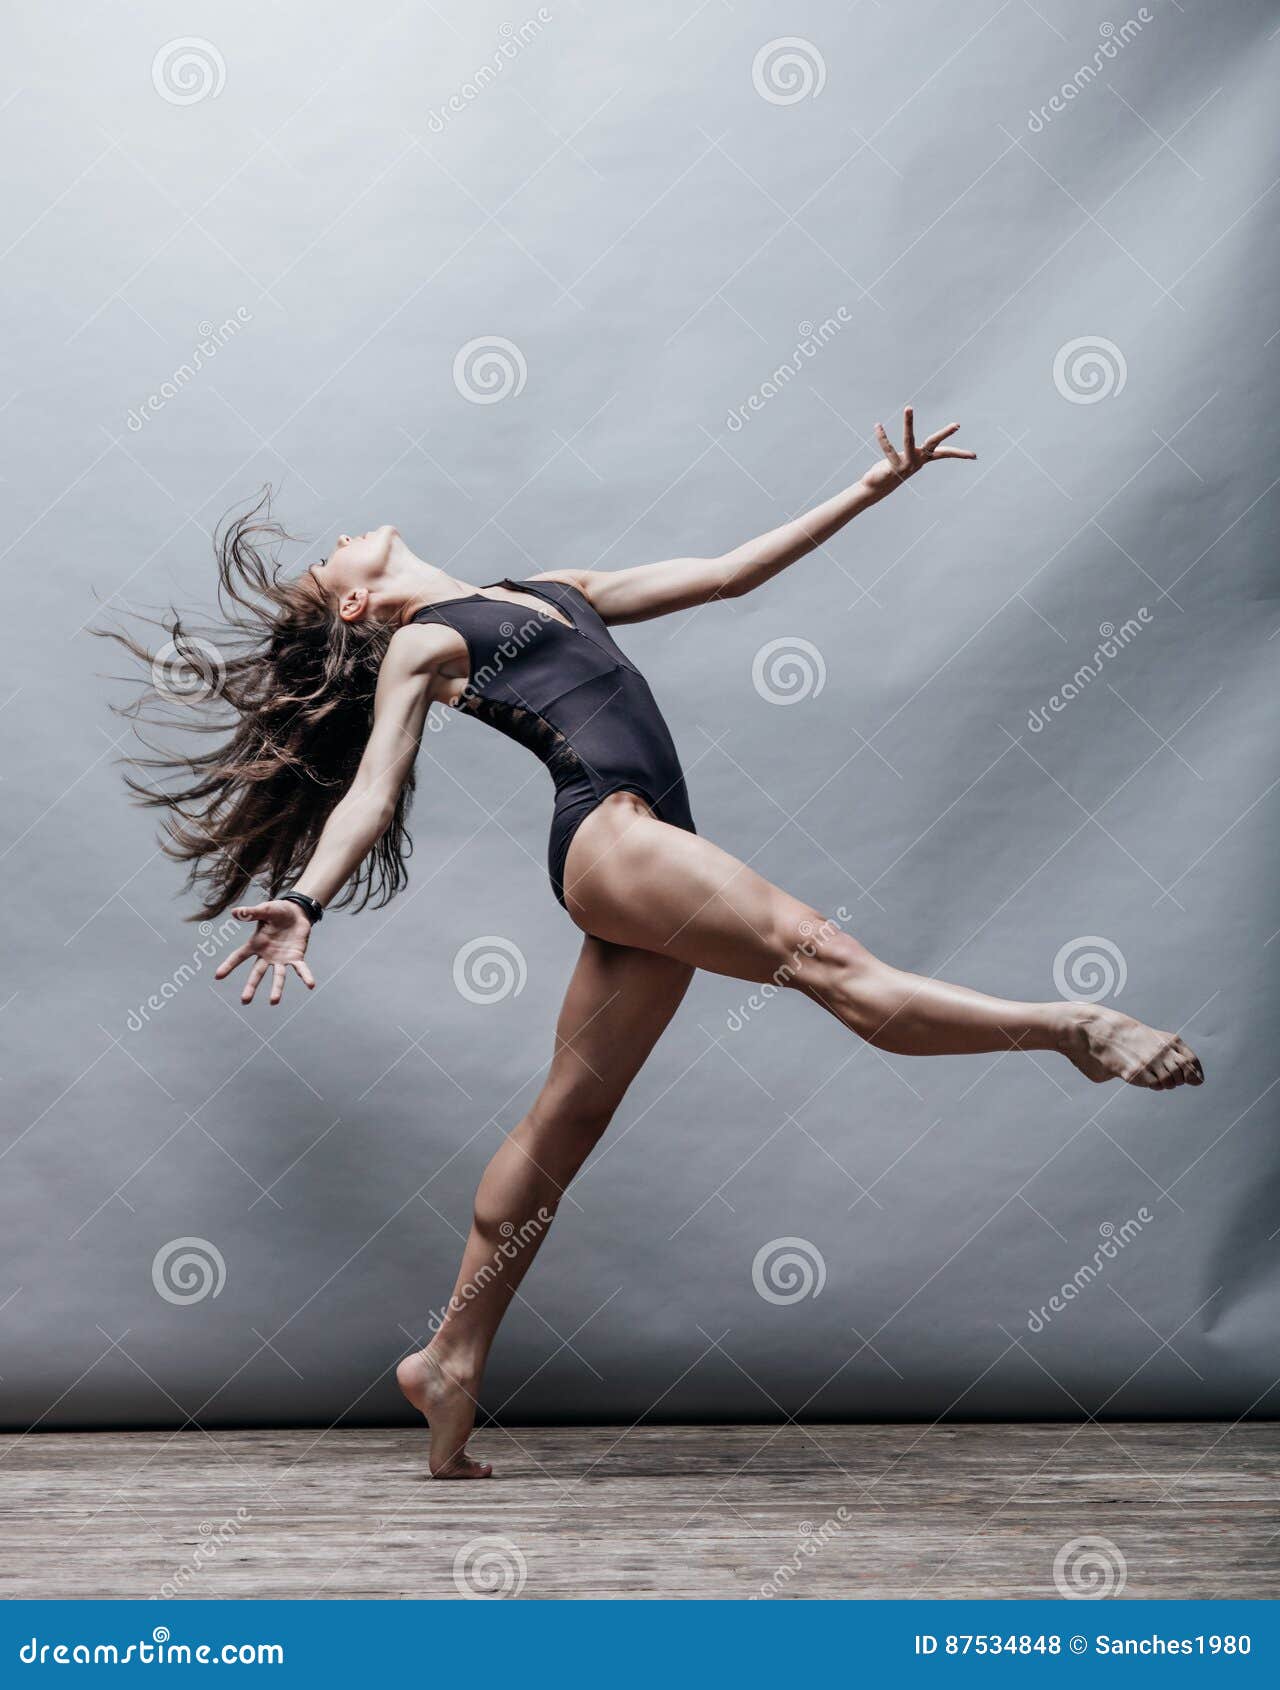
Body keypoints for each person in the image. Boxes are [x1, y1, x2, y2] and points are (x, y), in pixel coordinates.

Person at [110, 409, 1202, 1478]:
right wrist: (305, 897)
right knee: (836, 968)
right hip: (610, 834)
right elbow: (372, 791)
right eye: (327, 559)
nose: (340, 534)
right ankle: (1073, 1027)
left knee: (565, 1121)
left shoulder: (547, 589)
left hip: (640, 852)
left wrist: (869, 491)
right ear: (355, 601)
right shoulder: (424, 644)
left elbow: (726, 575)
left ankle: (448, 1357)